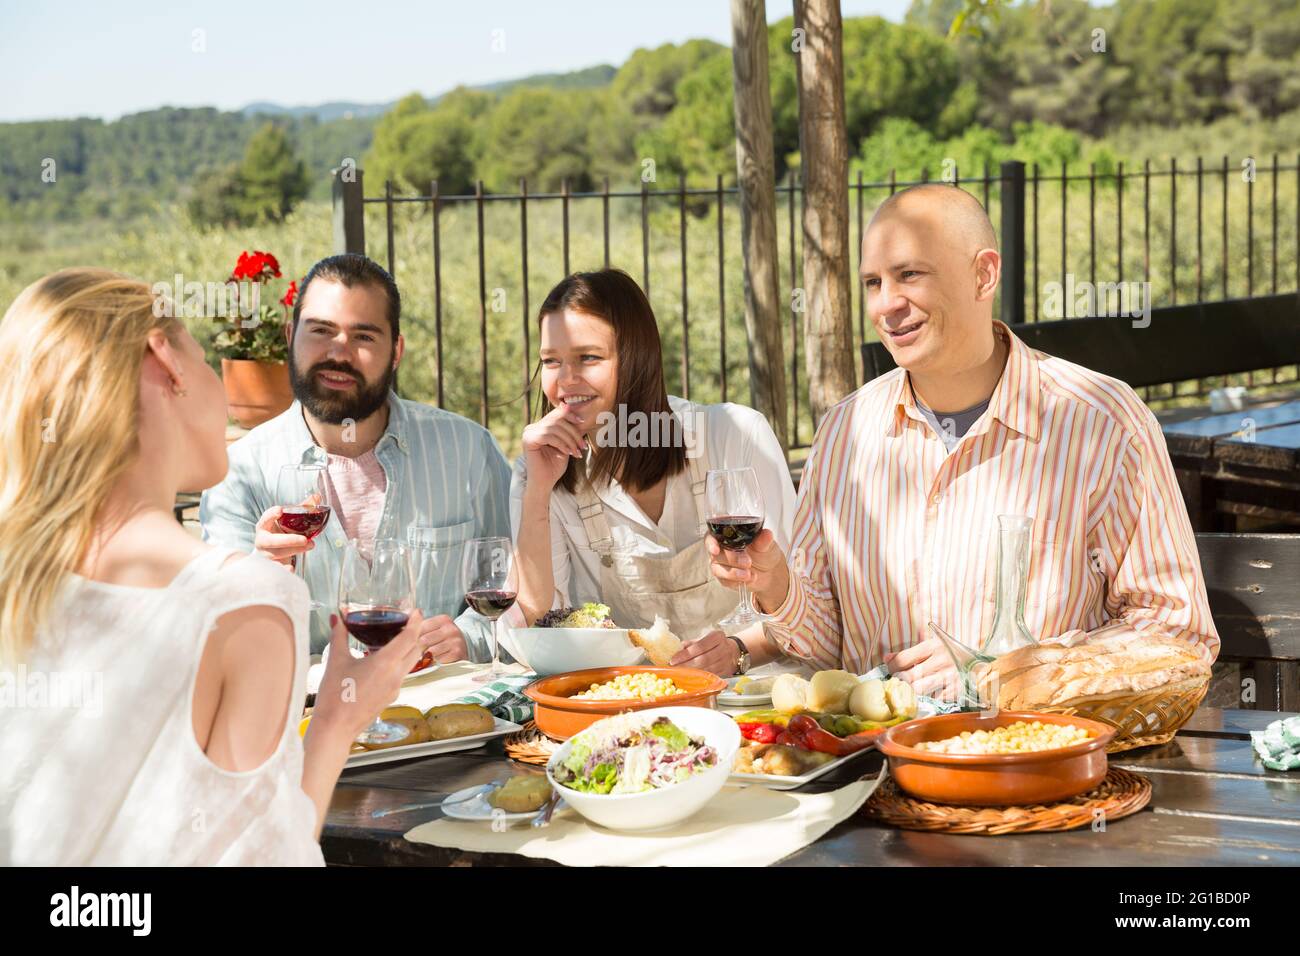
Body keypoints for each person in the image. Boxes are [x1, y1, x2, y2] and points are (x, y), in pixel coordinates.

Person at [708, 184, 1219, 696]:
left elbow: (1178, 638)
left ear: (984, 274)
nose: (886, 304)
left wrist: (1007, 673)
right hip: (872, 763)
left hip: (1030, 759)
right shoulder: (844, 432)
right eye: (872, 282)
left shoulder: (1102, 422)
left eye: (909, 274)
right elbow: (826, 649)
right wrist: (775, 583)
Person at [0, 268, 431, 865]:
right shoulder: (239, 598)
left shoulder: (17, 572)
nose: (219, 388)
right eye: (204, 361)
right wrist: (336, 722)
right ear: (166, 362)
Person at [201, 254, 512, 661]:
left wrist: (469, 637)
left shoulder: (470, 451)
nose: (339, 353)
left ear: (396, 351)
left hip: (449, 717)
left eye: (363, 337)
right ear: (290, 335)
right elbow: (221, 640)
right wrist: (258, 578)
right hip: (307, 721)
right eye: (321, 331)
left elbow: (519, 590)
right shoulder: (239, 474)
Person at [509, 269, 797, 678]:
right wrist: (537, 490)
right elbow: (538, 616)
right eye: (551, 361)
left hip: (751, 701)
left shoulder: (734, 436)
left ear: (637, 358)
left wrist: (738, 651)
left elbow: (804, 600)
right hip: (628, 704)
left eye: (588, 357)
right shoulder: (539, 468)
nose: (565, 380)